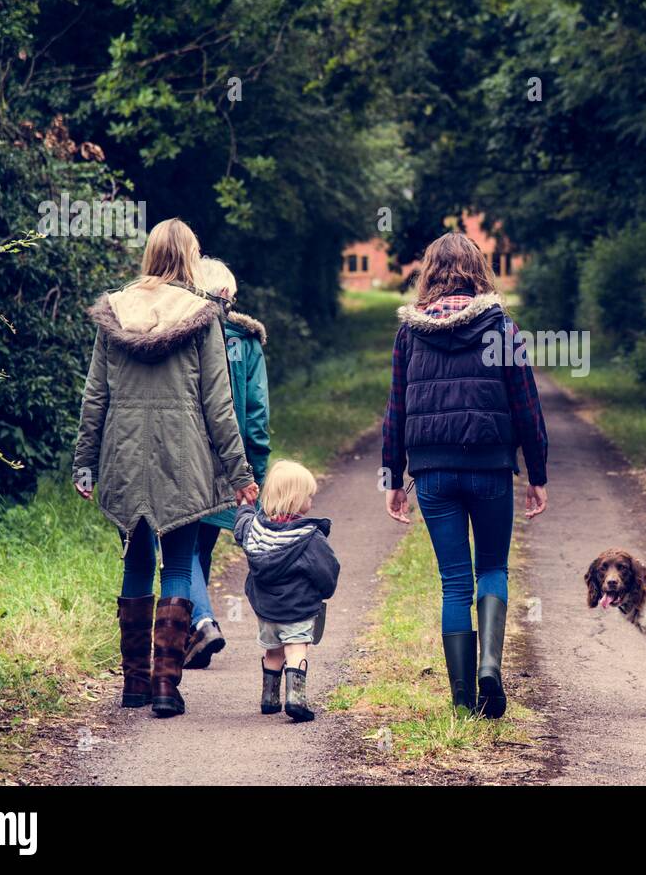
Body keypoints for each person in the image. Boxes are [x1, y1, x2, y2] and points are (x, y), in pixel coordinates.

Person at [73, 218, 259, 718]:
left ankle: (133, 686)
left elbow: (96, 396)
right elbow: (218, 405)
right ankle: (163, 687)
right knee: (177, 565)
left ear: (150, 254)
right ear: (189, 260)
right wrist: (241, 475)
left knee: (136, 562)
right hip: (185, 461)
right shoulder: (202, 316)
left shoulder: (114, 312)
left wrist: (84, 463)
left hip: (123, 458)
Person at [381, 231, 549, 719]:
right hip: (491, 466)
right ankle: (489, 669)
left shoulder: (410, 333)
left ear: (429, 273)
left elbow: (396, 409)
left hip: (432, 472)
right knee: (492, 567)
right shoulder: (501, 327)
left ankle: (461, 699)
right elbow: (526, 406)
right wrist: (536, 472)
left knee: (454, 582)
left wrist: (393, 478)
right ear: (479, 271)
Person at [184, 256, 271, 670]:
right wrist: (257, 470)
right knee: (199, 545)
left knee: (183, 550)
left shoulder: (180, 333)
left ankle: (199, 623)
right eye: (231, 297)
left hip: (187, 455)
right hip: (231, 461)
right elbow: (255, 414)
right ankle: (195, 628)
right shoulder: (247, 341)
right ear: (223, 295)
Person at [233, 460, 340, 723]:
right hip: (298, 609)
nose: (311, 501)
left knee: (273, 652)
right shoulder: (308, 537)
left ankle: (269, 699)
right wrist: (325, 591)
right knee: (295, 650)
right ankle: (296, 699)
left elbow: (242, 526)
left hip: (266, 610)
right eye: (309, 496)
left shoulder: (256, 531)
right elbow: (327, 570)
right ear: (296, 499)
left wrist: (246, 506)